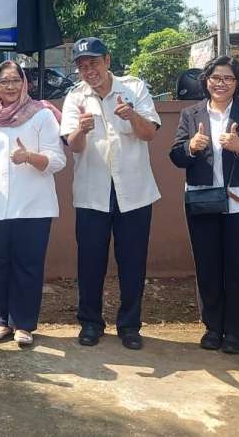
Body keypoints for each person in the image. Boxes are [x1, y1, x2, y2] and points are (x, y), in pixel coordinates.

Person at [60, 37, 160, 350]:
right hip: (93, 192)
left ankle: (130, 326)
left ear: (107, 59)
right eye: (82, 65)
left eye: (93, 62)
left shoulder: (134, 89)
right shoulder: (75, 98)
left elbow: (150, 134)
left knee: (132, 262)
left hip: (133, 191)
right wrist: (82, 131)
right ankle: (90, 323)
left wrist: (131, 115)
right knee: (90, 262)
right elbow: (72, 146)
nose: (89, 70)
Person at [168, 56, 239, 355]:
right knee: (208, 266)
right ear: (206, 80)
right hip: (202, 200)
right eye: (215, 78)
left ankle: (236, 331)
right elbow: (175, 156)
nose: (221, 84)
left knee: (238, 267)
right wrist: (191, 147)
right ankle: (213, 327)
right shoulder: (191, 113)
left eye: (228, 78)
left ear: (237, 83)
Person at [0, 61, 65, 347]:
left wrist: (30, 158)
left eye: (15, 80)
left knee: (28, 265)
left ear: (25, 84)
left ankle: (24, 324)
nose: (10, 86)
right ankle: (1, 322)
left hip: (33, 207)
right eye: (4, 81)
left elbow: (58, 160)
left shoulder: (41, 116)